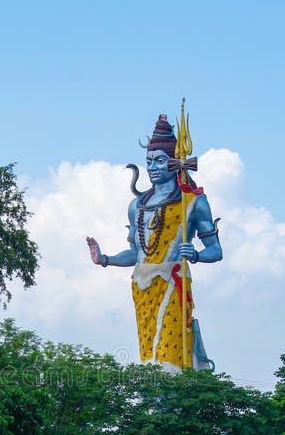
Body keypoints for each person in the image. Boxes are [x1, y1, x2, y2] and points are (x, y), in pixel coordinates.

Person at [87, 112, 222, 372]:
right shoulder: (136, 206)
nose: (153, 168)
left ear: (174, 162)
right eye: (149, 162)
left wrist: (195, 255)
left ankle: (179, 392)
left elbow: (216, 251)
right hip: (142, 286)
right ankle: (155, 397)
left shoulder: (192, 201)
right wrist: (105, 259)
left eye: (160, 161)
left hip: (172, 280)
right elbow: (135, 253)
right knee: (149, 356)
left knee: (170, 353)